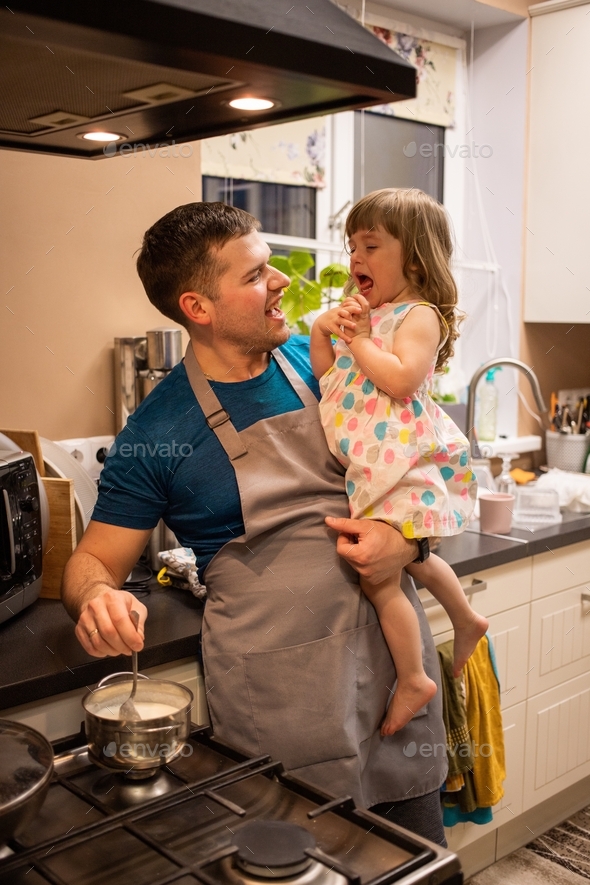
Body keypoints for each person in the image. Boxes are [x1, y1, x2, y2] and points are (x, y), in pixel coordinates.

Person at [62, 201, 449, 846]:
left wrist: (409, 543)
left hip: (388, 671)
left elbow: (420, 470)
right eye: (255, 275)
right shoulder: (157, 430)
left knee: (419, 859)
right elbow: (93, 561)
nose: (281, 283)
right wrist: (98, 595)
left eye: (270, 265)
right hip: (282, 697)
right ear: (198, 308)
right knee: (297, 863)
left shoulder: (327, 364)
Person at [311, 188, 488, 736]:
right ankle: (465, 618)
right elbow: (328, 376)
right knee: (408, 557)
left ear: (413, 257)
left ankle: (414, 676)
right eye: (351, 247)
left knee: (382, 578)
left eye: (371, 246)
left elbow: (403, 379)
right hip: (372, 462)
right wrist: (325, 330)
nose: (355, 259)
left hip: (401, 458)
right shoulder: (372, 317)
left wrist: (363, 337)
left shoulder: (417, 316)